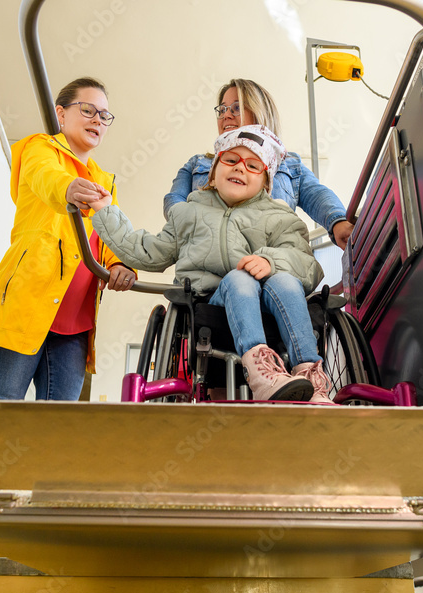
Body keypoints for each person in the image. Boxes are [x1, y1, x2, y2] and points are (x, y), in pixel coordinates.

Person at [93, 125, 335, 404]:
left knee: (285, 279)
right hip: (213, 305)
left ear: (266, 182)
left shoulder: (280, 216)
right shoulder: (189, 212)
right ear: (214, 170)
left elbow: (307, 265)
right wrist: (104, 211)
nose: (240, 168)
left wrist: (271, 261)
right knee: (239, 278)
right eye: (231, 160)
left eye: (253, 165)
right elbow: (148, 252)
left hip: (272, 303)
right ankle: (262, 375)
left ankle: (311, 376)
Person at [0, 77, 136, 401]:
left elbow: (110, 233)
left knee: (58, 431)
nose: (96, 120)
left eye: (104, 115)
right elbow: (48, 178)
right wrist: (68, 189)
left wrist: (121, 264)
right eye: (87, 110)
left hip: (75, 326)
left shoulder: (105, 182)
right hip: (24, 309)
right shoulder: (39, 149)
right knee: (1, 413)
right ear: (61, 114)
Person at [164, 78, 355, 249]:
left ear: (259, 112)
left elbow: (317, 195)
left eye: (237, 108)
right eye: (222, 109)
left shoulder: (290, 165)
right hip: (208, 272)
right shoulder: (197, 164)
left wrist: (337, 221)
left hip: (273, 270)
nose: (226, 115)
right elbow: (174, 202)